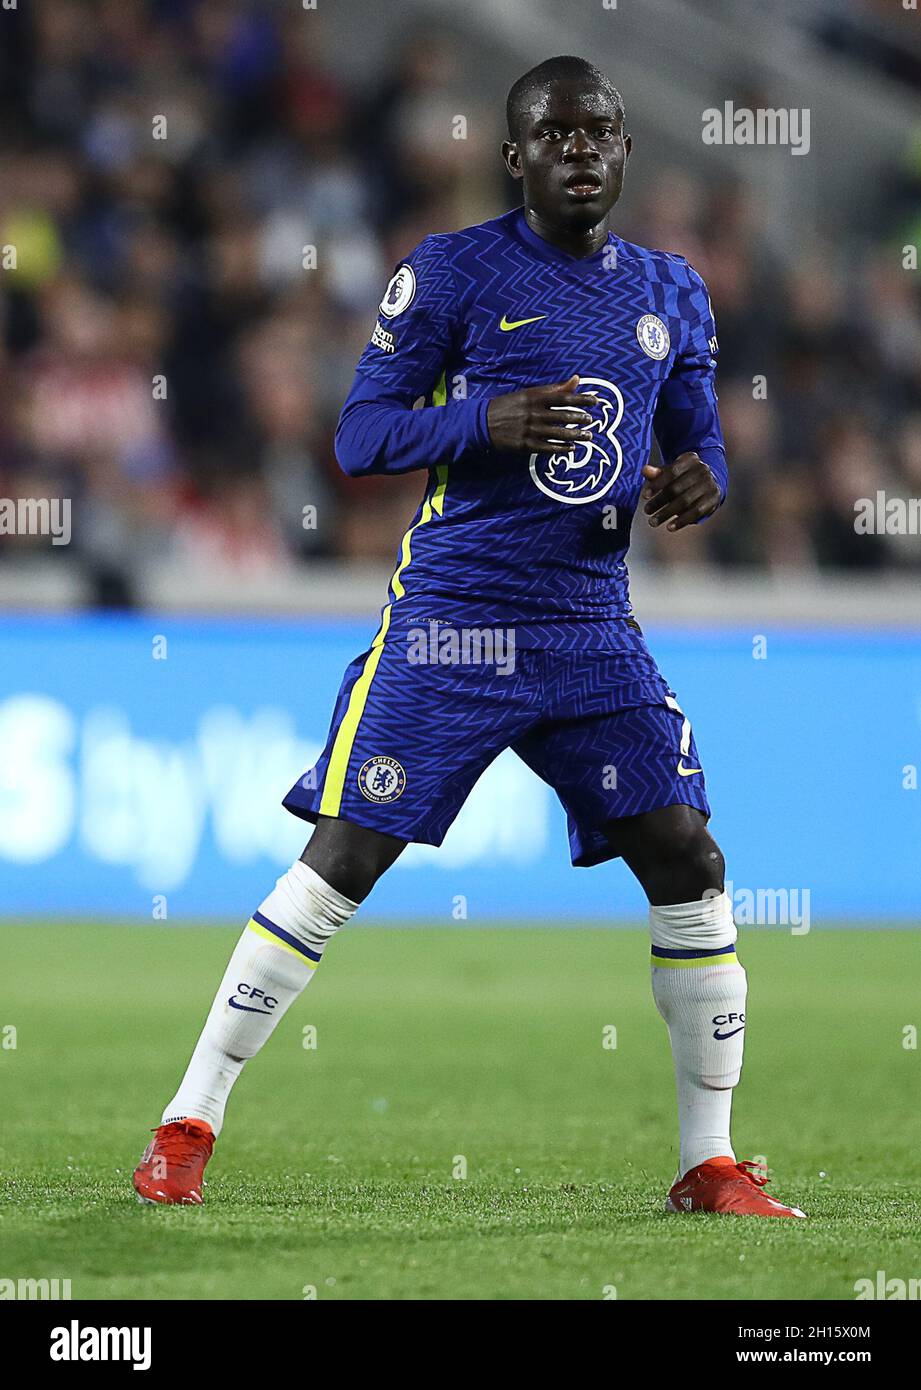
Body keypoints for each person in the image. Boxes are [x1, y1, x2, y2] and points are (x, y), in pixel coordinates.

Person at [134, 56, 804, 1220]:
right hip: (456, 623)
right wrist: (481, 418)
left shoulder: (672, 291)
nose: (581, 150)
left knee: (689, 860)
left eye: (600, 132)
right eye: (556, 135)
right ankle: (188, 1121)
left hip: (592, 630)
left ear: (626, 151)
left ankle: (710, 1161)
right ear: (516, 157)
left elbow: (696, 440)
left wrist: (706, 478)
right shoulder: (452, 272)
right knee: (343, 860)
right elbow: (360, 435)